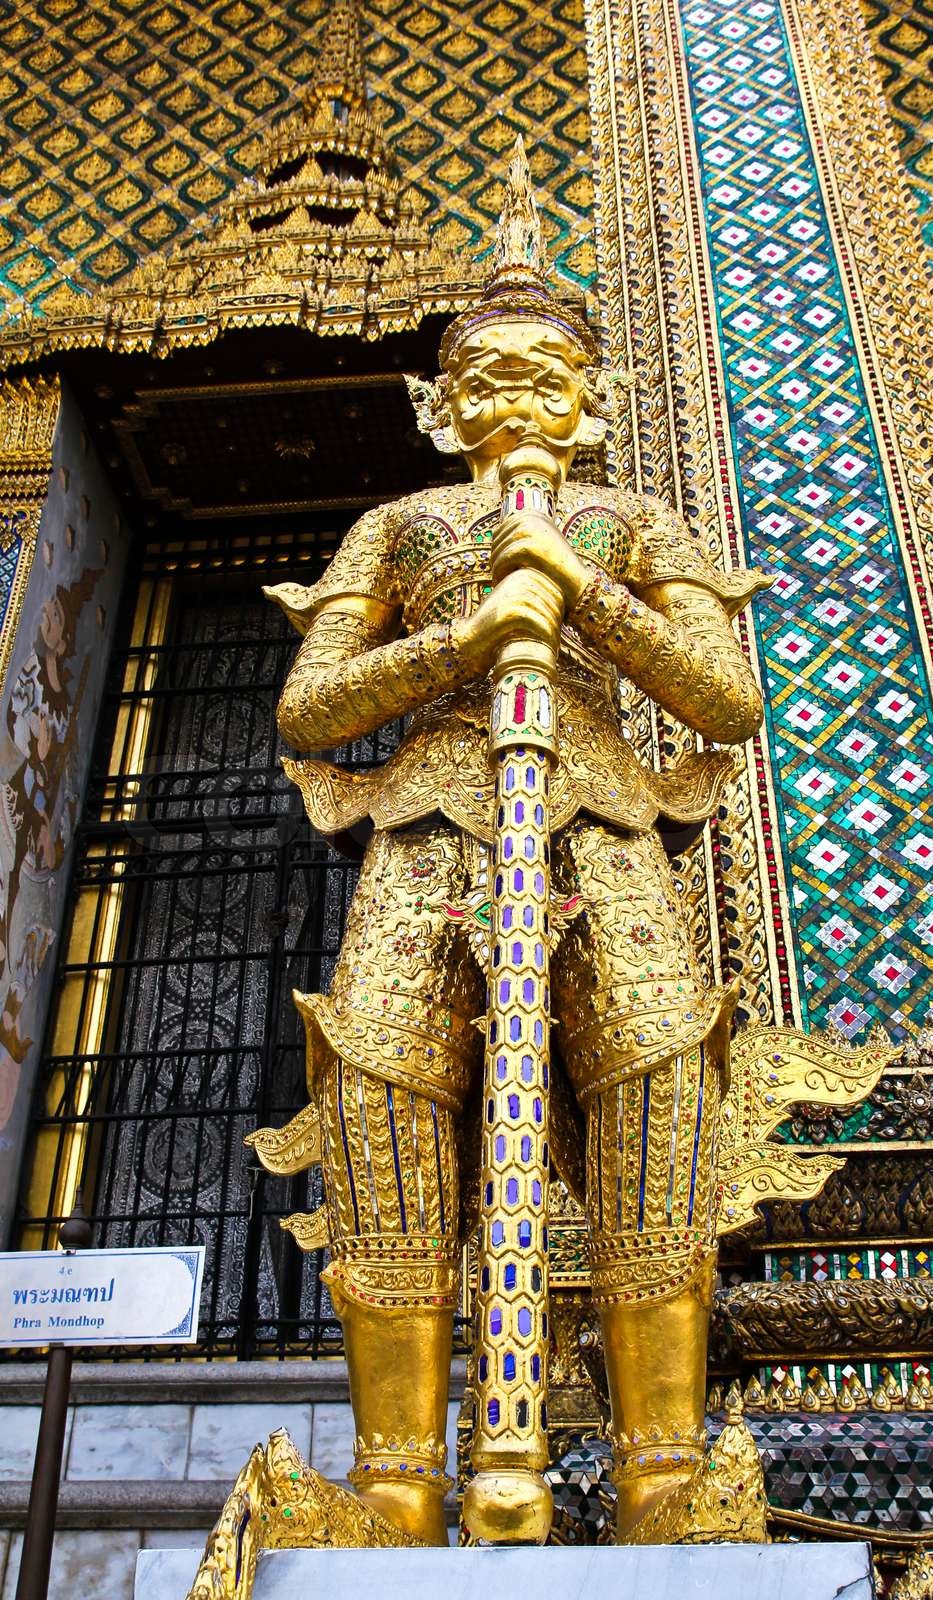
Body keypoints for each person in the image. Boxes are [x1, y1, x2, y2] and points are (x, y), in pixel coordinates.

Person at [254, 144, 768, 1547]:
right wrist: (458, 641)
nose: (520, 394)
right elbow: (309, 709)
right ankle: (401, 1474)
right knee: (388, 1109)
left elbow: (724, 698)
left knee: (655, 1100)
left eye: (550, 369)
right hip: (428, 826)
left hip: (598, 820)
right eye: (489, 375)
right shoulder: (400, 524)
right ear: (440, 406)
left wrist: (587, 594)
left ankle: (664, 1468)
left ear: (592, 394)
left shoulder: (631, 520)